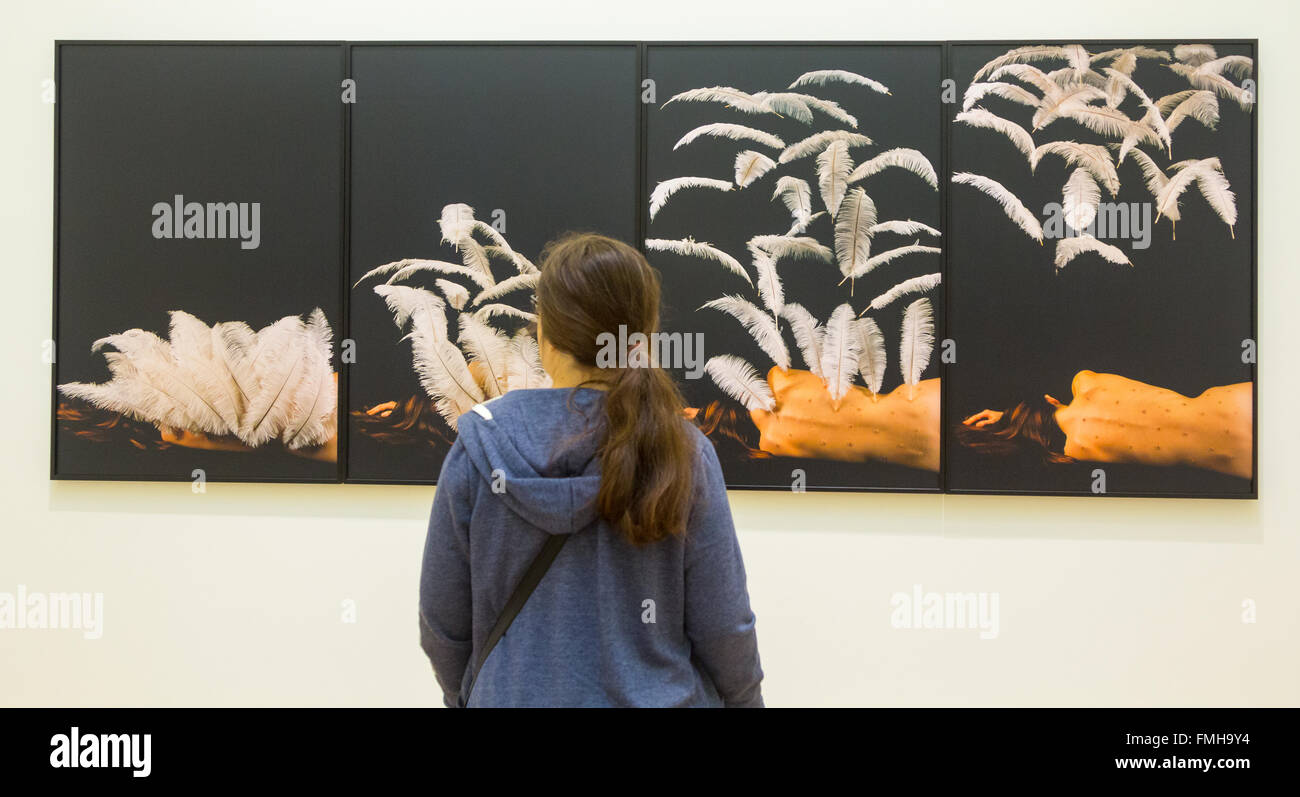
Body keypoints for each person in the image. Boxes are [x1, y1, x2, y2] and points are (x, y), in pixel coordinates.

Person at [418, 232, 764, 708]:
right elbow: (725, 627)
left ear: (545, 335)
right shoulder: (682, 449)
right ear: (643, 338)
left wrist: (476, 694)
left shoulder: (478, 447)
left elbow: (443, 625)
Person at [957, 369, 1252, 479]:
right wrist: (1009, 415)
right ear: (1049, 399)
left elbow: (1025, 443)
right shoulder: (1085, 382)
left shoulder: (1078, 451)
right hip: (1231, 402)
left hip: (1230, 457)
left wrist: (1010, 424)